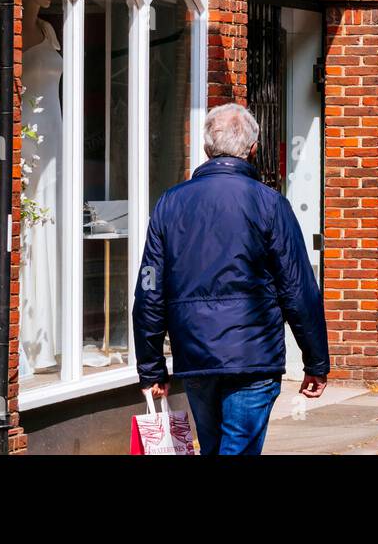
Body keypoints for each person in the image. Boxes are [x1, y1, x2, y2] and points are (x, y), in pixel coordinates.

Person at [132, 103, 329, 455]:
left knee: (213, 447)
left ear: (207, 148)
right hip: (253, 354)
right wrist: (315, 360)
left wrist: (151, 366)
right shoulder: (270, 204)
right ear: (253, 150)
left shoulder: (170, 204)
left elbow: (149, 289)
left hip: (196, 354)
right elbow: (299, 289)